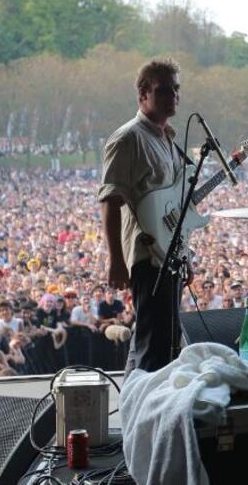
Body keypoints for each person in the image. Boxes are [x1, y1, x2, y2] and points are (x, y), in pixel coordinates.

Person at [98, 58, 186, 378]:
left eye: (176, 89)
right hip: (146, 256)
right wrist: (116, 261)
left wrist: (184, 255)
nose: (173, 96)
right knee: (153, 348)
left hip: (169, 255)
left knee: (164, 343)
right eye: (164, 90)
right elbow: (110, 200)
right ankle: (143, 406)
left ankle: (138, 401)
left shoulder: (168, 139)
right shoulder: (128, 139)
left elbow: (173, 207)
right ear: (142, 93)